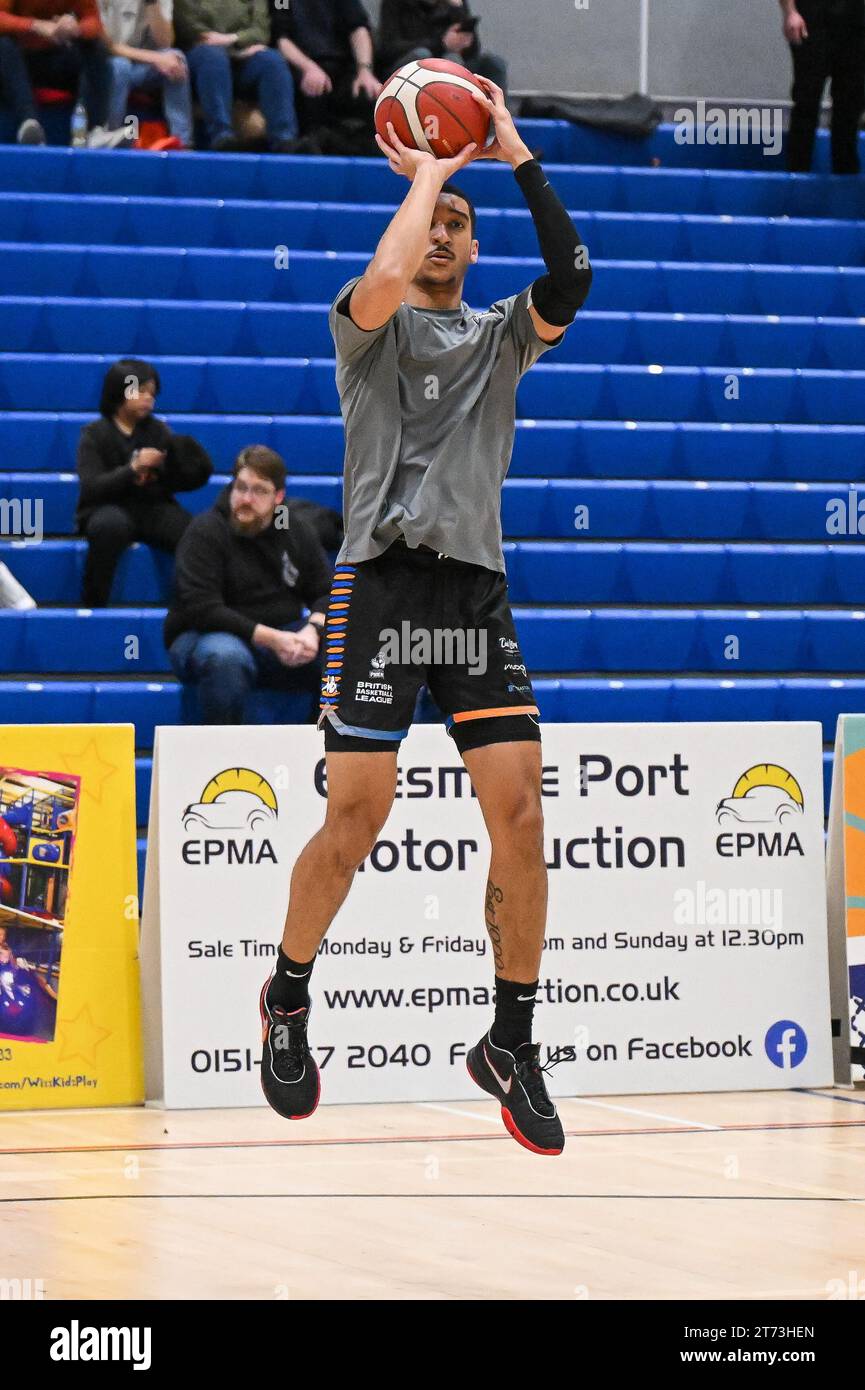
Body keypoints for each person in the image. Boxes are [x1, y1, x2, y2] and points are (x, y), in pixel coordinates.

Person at [258, 78, 592, 1156]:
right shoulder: (367, 323)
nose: (442, 232)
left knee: (524, 821)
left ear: (476, 248)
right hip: (380, 587)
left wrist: (514, 154)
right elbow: (391, 271)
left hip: (472, 594)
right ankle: (290, 993)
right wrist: (437, 168)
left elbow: (574, 275)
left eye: (459, 223)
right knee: (357, 819)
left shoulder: (503, 336)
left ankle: (512, 1038)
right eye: (431, 217)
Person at [165, 445, 332, 724]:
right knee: (226, 658)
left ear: (278, 497)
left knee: (343, 654)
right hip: (205, 634)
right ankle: (224, 760)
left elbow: (326, 592)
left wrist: (312, 631)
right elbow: (203, 609)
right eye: (240, 487)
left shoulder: (295, 530)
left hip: (278, 638)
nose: (246, 498)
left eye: (259, 490)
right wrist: (274, 639)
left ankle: (319, 752)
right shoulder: (205, 531)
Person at [76, 358, 212, 608]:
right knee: (109, 527)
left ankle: (195, 606)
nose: (148, 398)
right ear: (119, 391)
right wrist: (133, 469)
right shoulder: (94, 434)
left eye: (152, 393)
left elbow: (180, 482)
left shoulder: (158, 431)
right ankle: (93, 605)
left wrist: (173, 465)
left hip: (150, 507)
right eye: (140, 391)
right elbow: (92, 487)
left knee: (192, 532)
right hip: (107, 507)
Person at [174, 0, 306, 151]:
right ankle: (221, 136)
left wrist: (234, 39)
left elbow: (261, 30)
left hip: (243, 55)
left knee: (272, 60)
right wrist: (236, 51)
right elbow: (190, 28)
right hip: (200, 56)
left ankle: (284, 139)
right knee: (213, 56)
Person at [0, 0, 131, 144]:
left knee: (95, 47)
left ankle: (93, 132)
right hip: (13, 64)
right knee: (3, 45)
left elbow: (94, 22)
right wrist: (35, 25)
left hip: (53, 56)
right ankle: (29, 125)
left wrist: (76, 28)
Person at [271, 0, 381, 155]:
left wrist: (365, 71)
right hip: (300, 67)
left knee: (372, 95)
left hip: (343, 68)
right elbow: (281, 39)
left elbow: (358, 28)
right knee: (313, 91)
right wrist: (309, 68)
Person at [780, 0, 865, 173]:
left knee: (849, 108)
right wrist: (790, 12)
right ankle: (797, 179)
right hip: (812, 19)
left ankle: (845, 182)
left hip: (855, 24)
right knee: (806, 103)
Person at [99, 0, 194, 145]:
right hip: (105, 63)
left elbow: (165, 42)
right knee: (120, 66)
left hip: (141, 66)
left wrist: (152, 4)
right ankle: (111, 139)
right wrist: (155, 58)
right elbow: (106, 45)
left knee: (176, 58)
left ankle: (182, 143)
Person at [377, 0, 507, 94]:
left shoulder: (452, 5)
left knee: (493, 63)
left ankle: (498, 127)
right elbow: (389, 50)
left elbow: (472, 52)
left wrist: (459, 10)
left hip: (448, 66)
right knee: (422, 56)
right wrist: (441, 44)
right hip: (408, 70)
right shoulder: (395, 4)